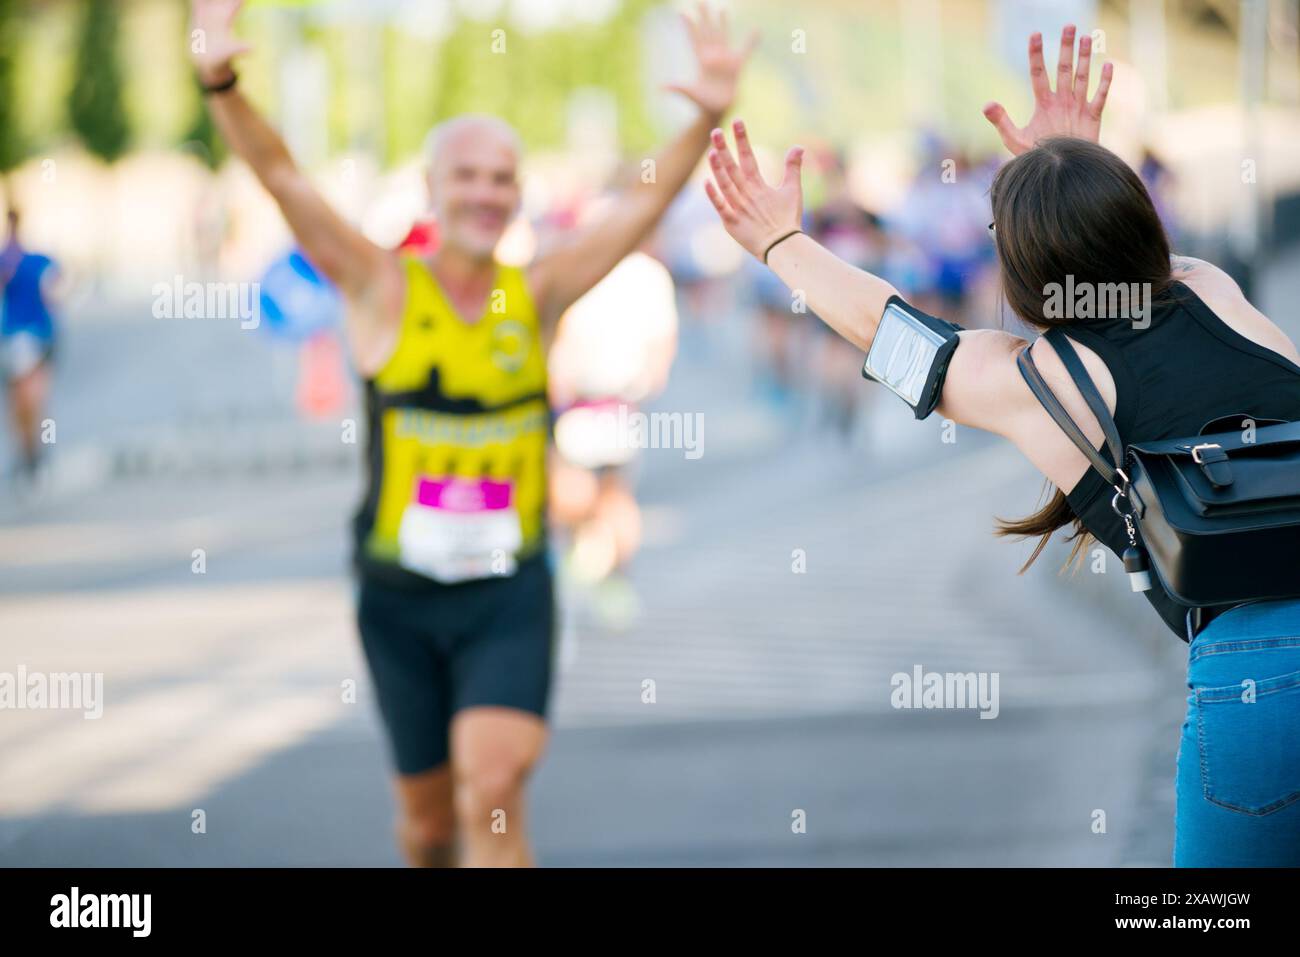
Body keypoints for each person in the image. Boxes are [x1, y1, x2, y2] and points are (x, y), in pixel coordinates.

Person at [701, 24, 1300, 866]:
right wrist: (1077, 173)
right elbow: (1128, 259)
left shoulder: (1042, 381)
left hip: (1258, 673)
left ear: (1016, 274)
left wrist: (780, 242)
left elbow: (890, 333)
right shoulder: (1213, 290)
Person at [189, 0, 753, 867]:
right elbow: (286, 179)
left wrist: (706, 116)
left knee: (491, 790)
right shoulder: (382, 287)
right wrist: (221, 83)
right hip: (399, 598)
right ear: (432, 188)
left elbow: (641, 204)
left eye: (503, 177)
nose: (487, 193)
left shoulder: (535, 293)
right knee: (427, 828)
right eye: (468, 176)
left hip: (507, 592)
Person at [1, 207, 62, 486]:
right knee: (25, 400)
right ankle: (30, 454)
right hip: (25, 336)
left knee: (27, 399)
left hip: (29, 336)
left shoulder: (20, 259)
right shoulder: (19, 259)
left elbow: (55, 287)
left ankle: (32, 454)